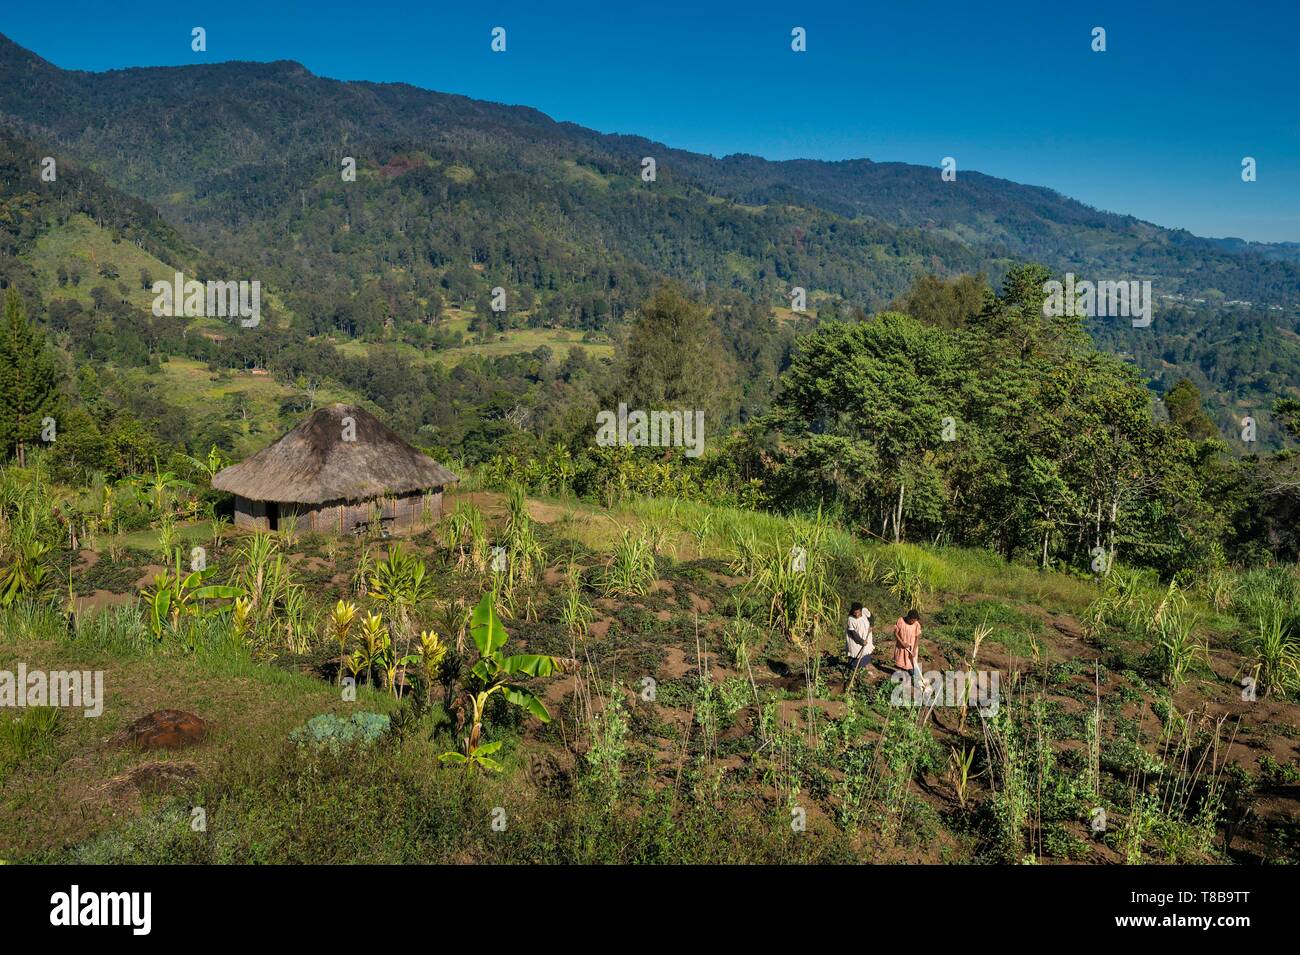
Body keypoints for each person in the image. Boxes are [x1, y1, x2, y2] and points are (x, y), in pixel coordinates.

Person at [893, 609, 925, 687]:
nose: (913, 622)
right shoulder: (901, 621)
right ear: (908, 617)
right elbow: (896, 633)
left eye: (915, 620)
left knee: (912, 663)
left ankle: (916, 679)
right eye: (912, 620)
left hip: (912, 647)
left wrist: (914, 650)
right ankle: (904, 678)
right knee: (902, 663)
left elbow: (917, 638)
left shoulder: (916, 625)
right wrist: (902, 643)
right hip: (902, 647)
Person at [846, 602, 873, 676]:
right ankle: (854, 669)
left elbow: (871, 617)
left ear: (861, 610)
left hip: (866, 636)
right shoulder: (851, 619)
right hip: (855, 640)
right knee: (856, 653)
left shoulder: (865, 612)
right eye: (855, 613)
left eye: (858, 612)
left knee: (865, 652)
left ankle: (863, 668)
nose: (856, 614)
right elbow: (853, 633)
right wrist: (861, 641)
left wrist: (871, 625)